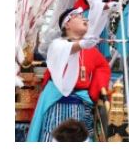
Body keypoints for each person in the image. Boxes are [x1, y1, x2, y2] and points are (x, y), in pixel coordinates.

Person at [28, 8, 111, 141]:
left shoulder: (92, 50)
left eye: (85, 17)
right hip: (56, 103)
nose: (85, 19)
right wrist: (83, 44)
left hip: (81, 105)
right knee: (53, 138)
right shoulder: (57, 44)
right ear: (67, 24)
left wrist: (97, 90)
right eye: (79, 16)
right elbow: (67, 49)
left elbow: (102, 68)